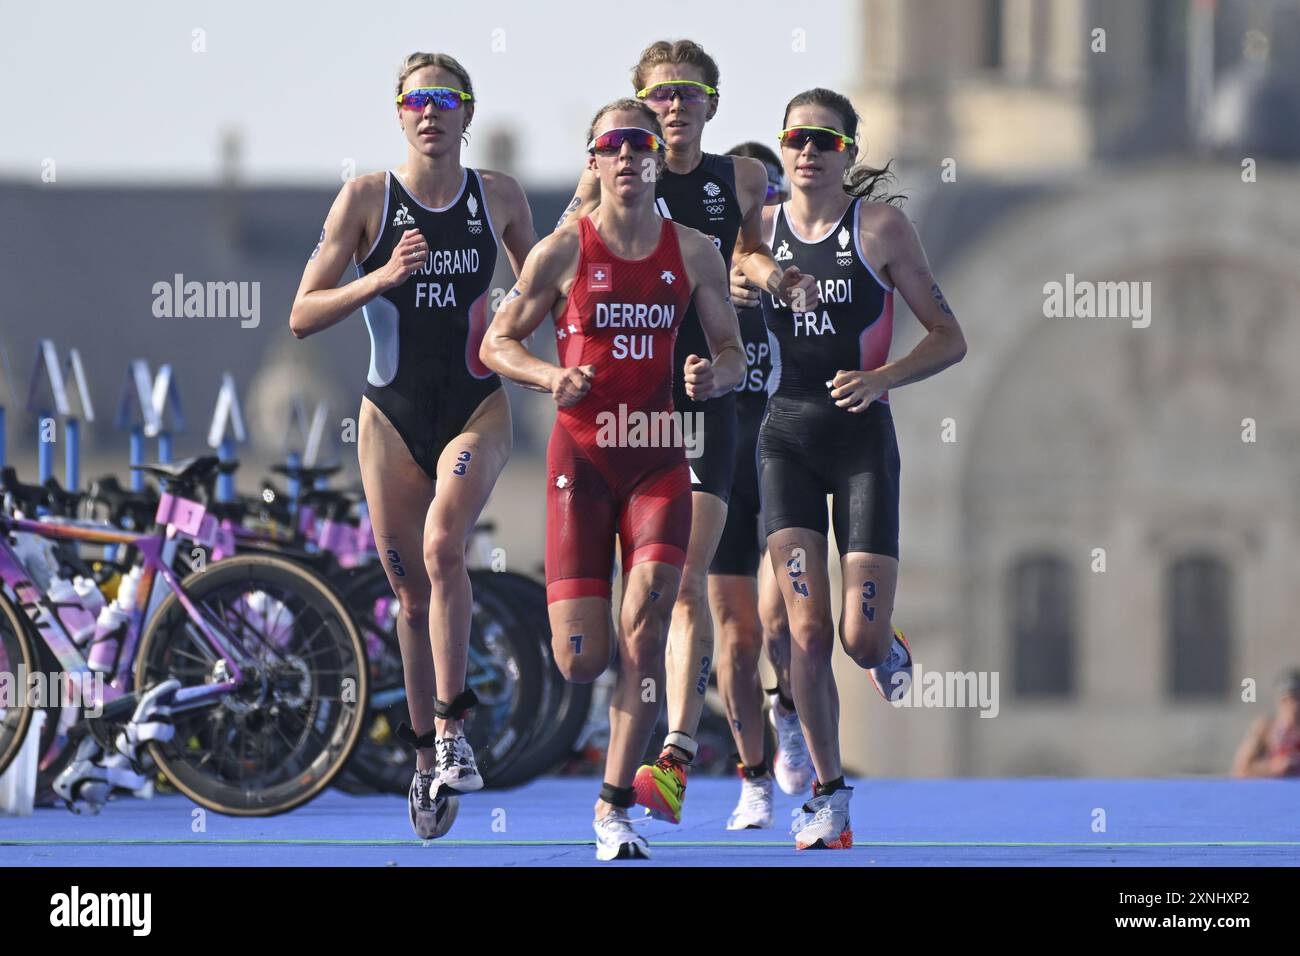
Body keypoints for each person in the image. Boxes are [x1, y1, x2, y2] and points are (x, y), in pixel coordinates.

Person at [560, 38, 817, 826]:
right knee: (702, 620)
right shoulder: (612, 168)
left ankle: (673, 748)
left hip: (709, 404)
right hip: (620, 415)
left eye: (689, 91)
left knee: (686, 588)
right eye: (659, 94)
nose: (673, 106)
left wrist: (780, 279)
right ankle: (741, 751)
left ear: (711, 101)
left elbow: (750, 253)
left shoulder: (735, 178)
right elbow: (566, 259)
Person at [479, 99, 744, 860]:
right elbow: (499, 342)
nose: (628, 156)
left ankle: (614, 805)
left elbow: (731, 352)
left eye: (641, 144)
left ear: (659, 158)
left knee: (645, 629)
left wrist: (712, 376)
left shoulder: (693, 251)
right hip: (582, 465)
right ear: (592, 161)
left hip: (659, 458)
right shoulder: (562, 250)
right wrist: (548, 375)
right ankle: (609, 746)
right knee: (580, 658)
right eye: (612, 146)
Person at [289, 52, 535, 838]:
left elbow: (548, 286)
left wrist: (547, 354)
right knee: (409, 596)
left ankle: (457, 732)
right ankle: (427, 760)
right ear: (399, 113)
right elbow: (302, 312)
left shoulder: (497, 196)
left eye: (446, 99)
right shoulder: (365, 198)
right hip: (390, 417)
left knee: (442, 550)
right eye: (417, 99)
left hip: (476, 407)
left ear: (468, 113)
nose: (431, 111)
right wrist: (380, 275)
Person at [742, 87, 966, 849]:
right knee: (804, 634)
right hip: (787, 442)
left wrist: (884, 378)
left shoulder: (881, 228)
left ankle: (889, 647)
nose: (809, 151)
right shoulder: (759, 228)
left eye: (825, 141)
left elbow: (948, 336)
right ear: (782, 148)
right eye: (797, 138)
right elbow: (726, 253)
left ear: (847, 154)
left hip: (863, 440)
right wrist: (762, 275)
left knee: (855, 640)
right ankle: (830, 798)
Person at [713, 141, 813, 829]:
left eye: (772, 198)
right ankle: (752, 777)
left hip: (780, 455)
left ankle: (791, 710)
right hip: (720, 460)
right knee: (738, 636)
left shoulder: (792, 266)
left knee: (782, 623)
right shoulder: (698, 266)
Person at [1232, 670, 1300, 778]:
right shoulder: (1266, 728)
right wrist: (1273, 767)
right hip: (1273, 790)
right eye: (1286, 700)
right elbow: (1240, 769)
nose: (1293, 706)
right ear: (1279, 701)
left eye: (1297, 699)